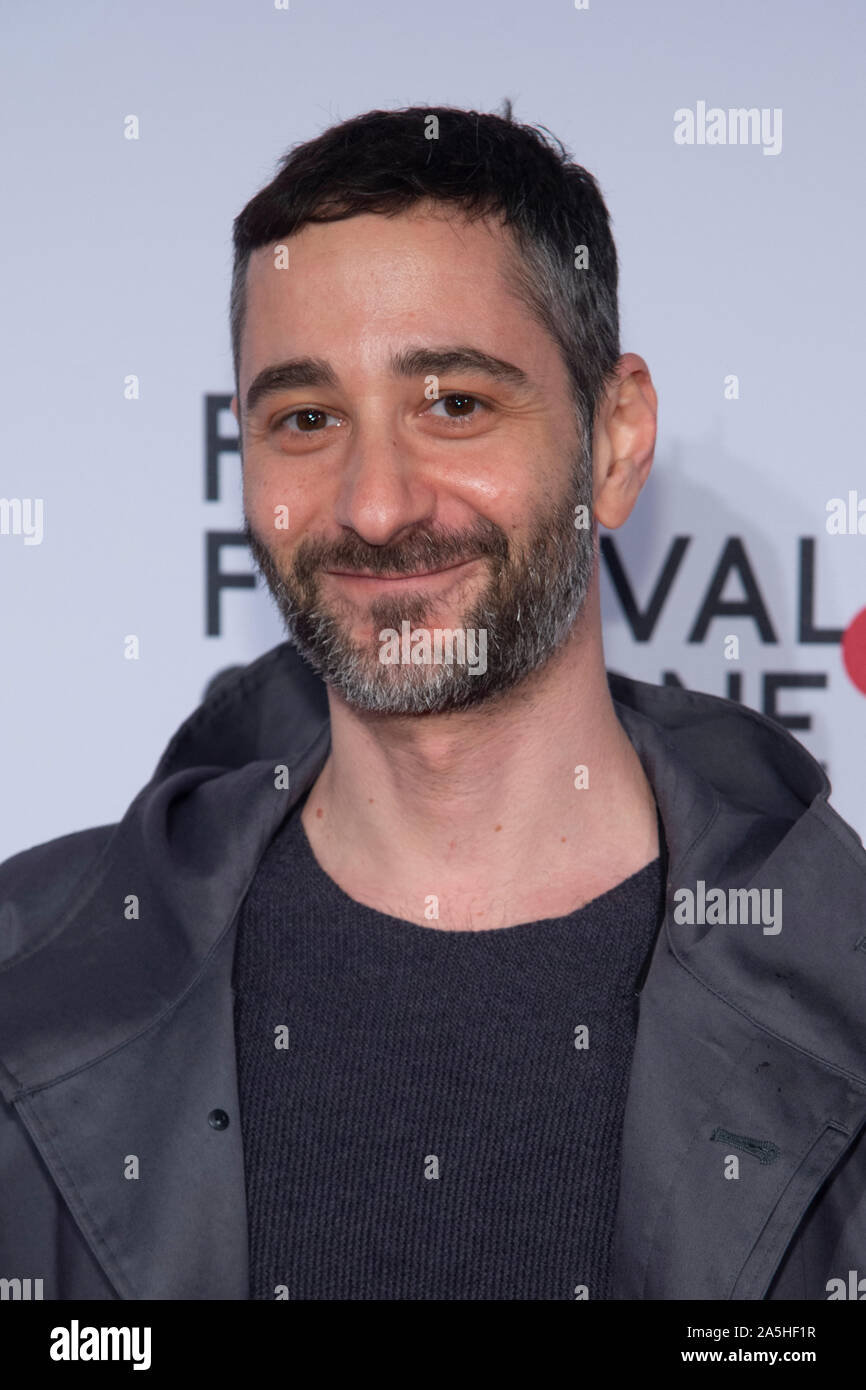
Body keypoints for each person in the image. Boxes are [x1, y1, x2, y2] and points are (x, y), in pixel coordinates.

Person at [1, 103, 864, 1303]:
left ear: (614, 442)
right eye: (304, 419)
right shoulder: (28, 979)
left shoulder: (842, 986)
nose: (371, 502)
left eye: (452, 402)